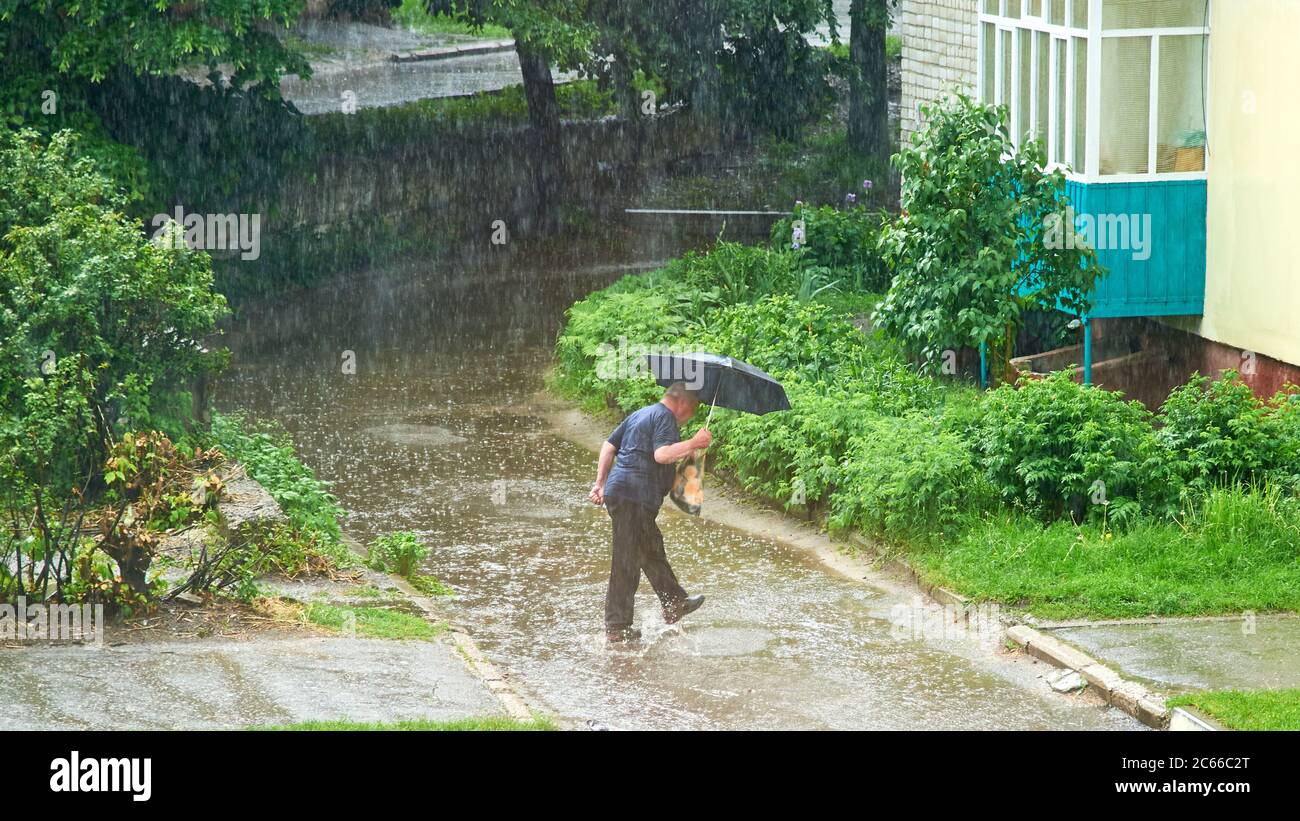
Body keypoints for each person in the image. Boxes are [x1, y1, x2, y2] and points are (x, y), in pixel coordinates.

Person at [588, 382, 712, 644]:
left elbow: (609, 446)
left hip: (625, 494)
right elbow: (661, 454)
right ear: (682, 403)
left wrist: (600, 482)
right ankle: (617, 627)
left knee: (650, 549)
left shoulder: (640, 414)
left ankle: (674, 602)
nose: (690, 416)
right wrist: (695, 441)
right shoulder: (665, 417)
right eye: (692, 410)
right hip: (633, 495)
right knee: (626, 560)